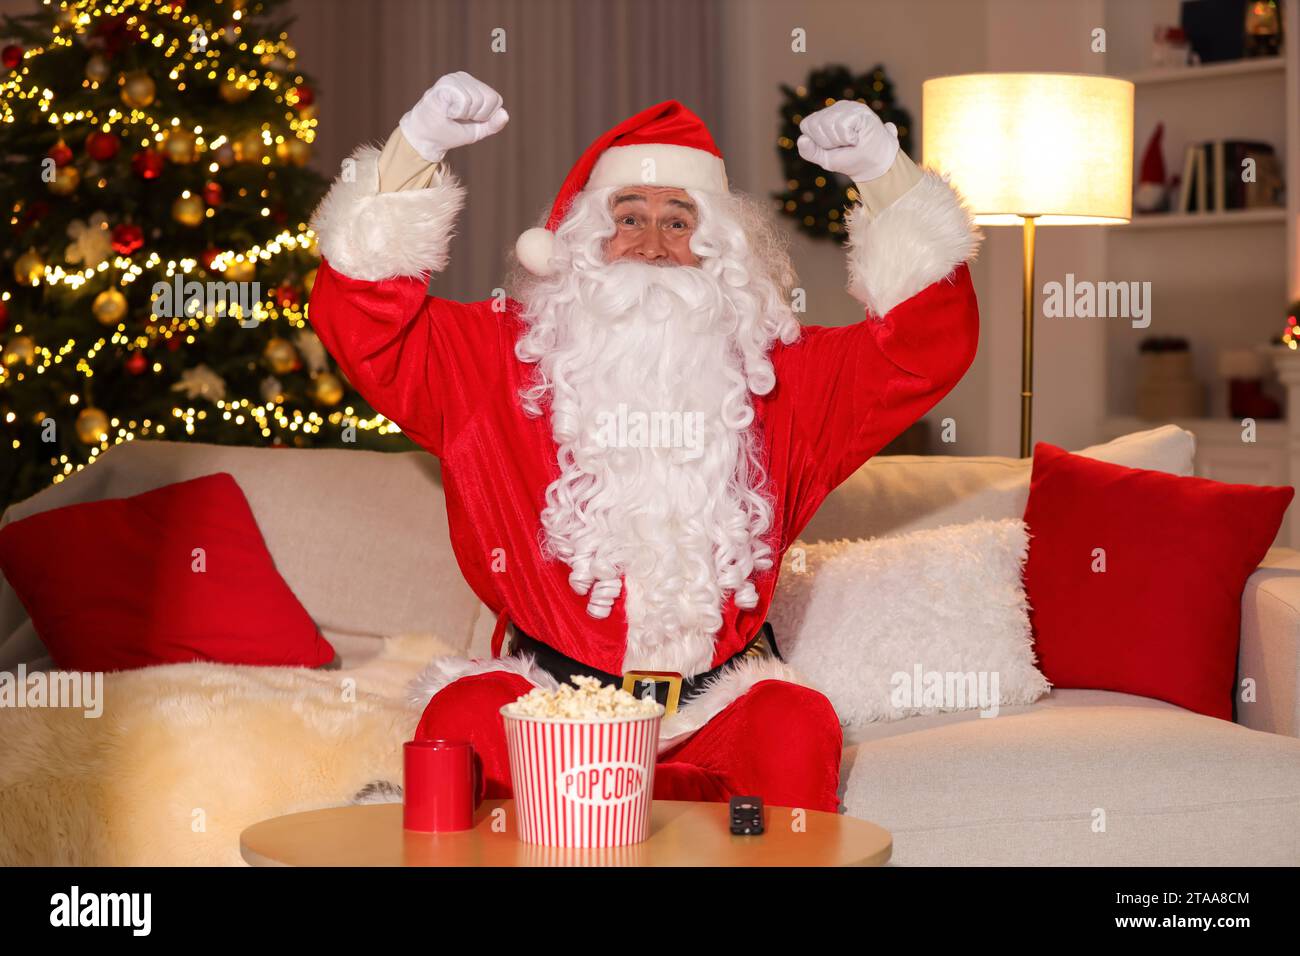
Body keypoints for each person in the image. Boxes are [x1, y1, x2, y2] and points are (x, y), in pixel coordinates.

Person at [308, 71, 980, 812]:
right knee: (464, 717)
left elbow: (927, 346)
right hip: (547, 706)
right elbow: (366, 322)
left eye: (680, 221)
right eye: (629, 218)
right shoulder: (499, 361)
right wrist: (415, 152)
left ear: (720, 247)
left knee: (795, 725)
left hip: (716, 709)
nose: (654, 246)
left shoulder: (780, 374)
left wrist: (884, 176)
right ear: (583, 240)